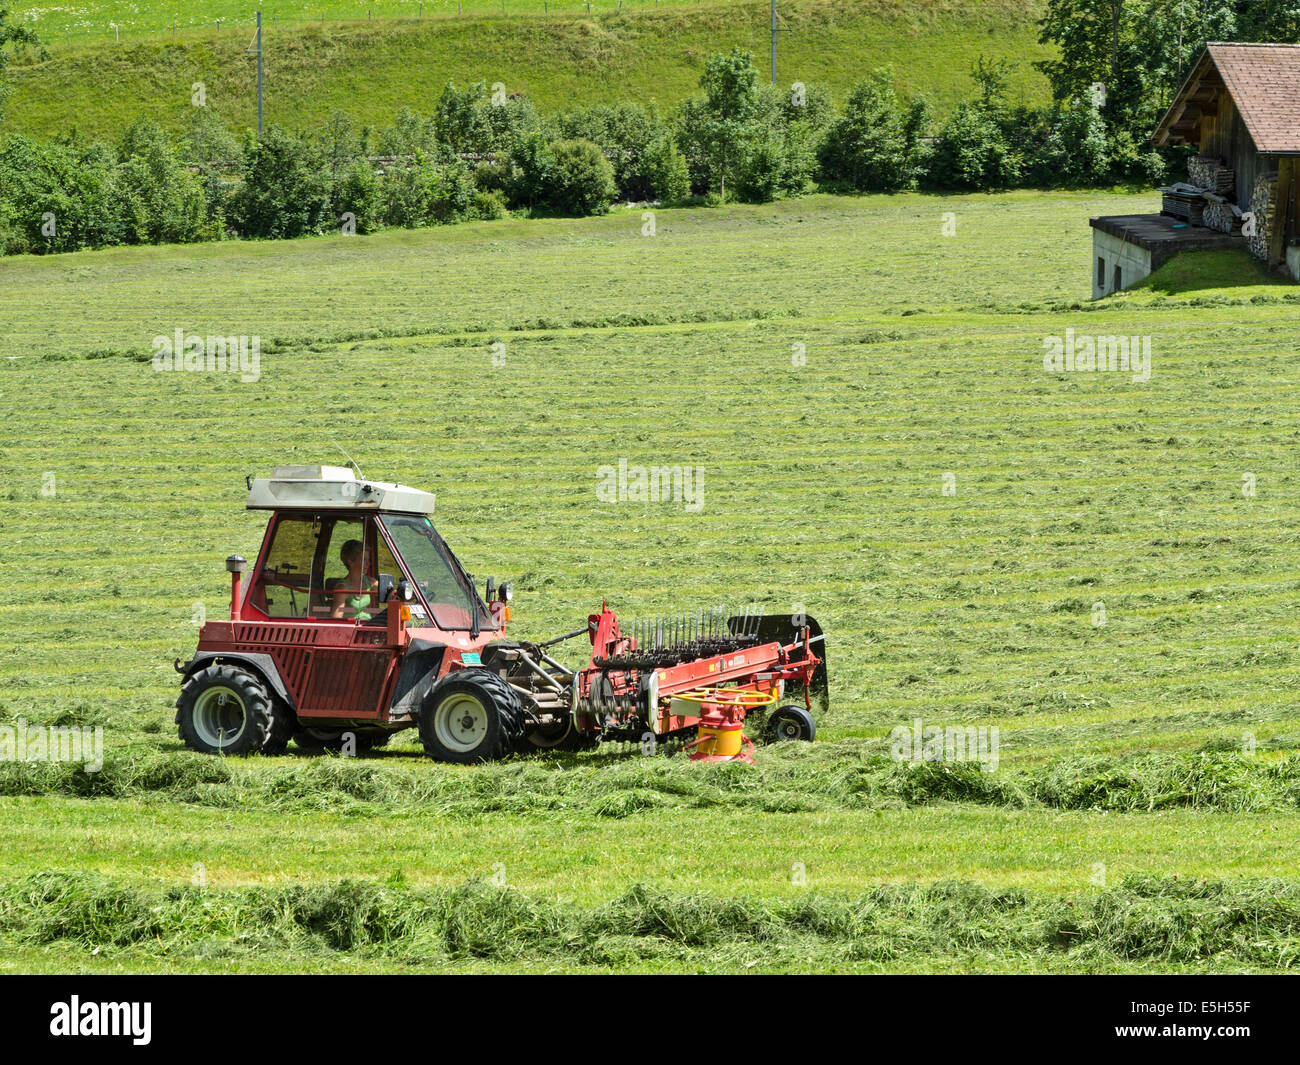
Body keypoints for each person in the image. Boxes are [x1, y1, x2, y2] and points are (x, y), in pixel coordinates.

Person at [330, 539, 384, 621]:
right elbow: (336, 620)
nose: (368, 564)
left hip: (369, 625)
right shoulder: (342, 589)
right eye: (363, 560)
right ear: (350, 562)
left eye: (368, 560)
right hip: (352, 631)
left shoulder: (370, 582)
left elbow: (389, 593)